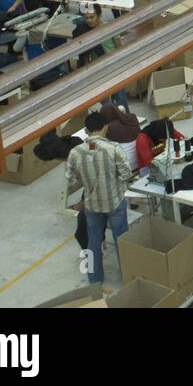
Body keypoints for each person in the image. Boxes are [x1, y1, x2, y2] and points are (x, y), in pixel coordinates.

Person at [66, 111, 132, 286]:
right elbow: (126, 173)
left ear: (86, 130)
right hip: (114, 201)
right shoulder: (114, 149)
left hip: (92, 205)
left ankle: (94, 280)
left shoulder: (75, 153)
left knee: (93, 240)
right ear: (106, 127)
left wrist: (87, 181)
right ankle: (128, 275)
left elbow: (70, 181)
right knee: (121, 238)